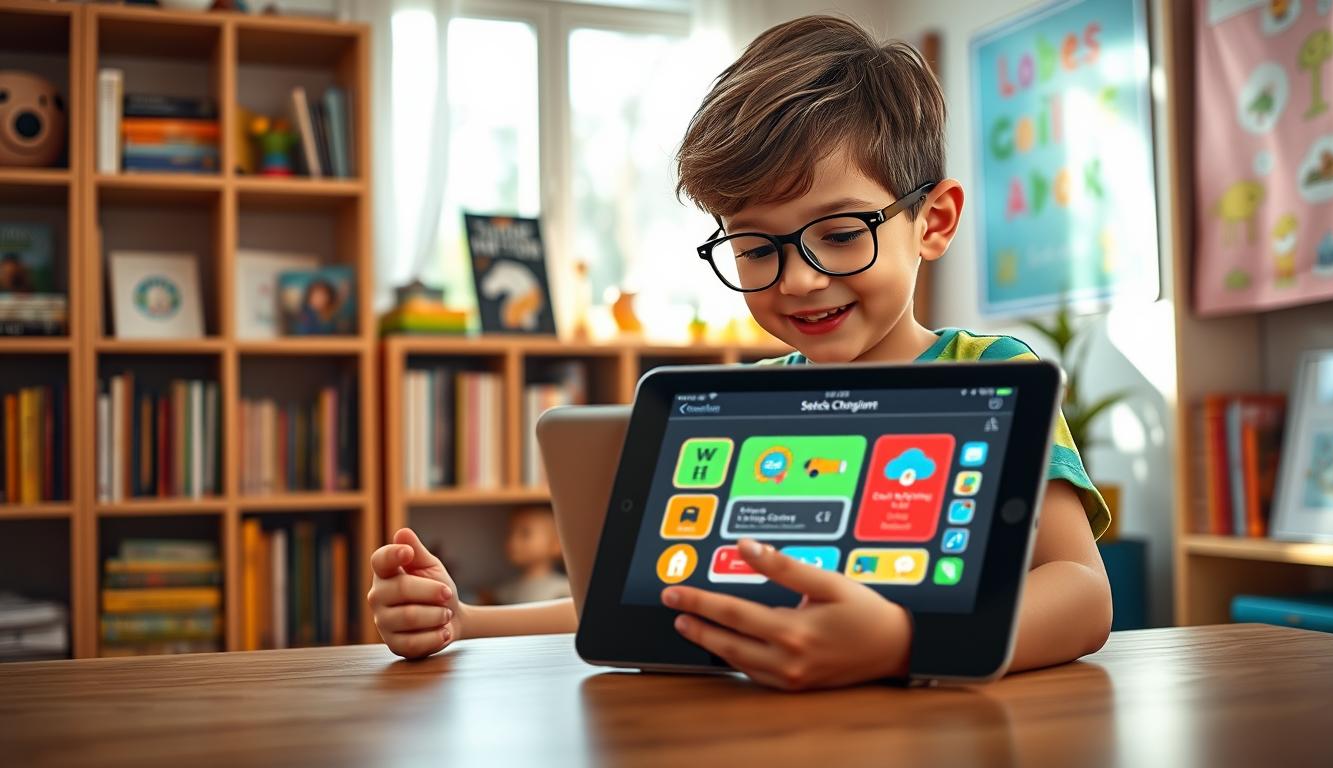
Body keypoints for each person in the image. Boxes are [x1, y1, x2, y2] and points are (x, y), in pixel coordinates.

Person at [368, 14, 1112, 690]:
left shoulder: (992, 376)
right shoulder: (742, 404)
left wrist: (902, 641)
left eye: (843, 234)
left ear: (935, 221)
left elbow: (1080, 588)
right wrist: (465, 620)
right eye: (756, 247)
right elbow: (656, 598)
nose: (799, 278)